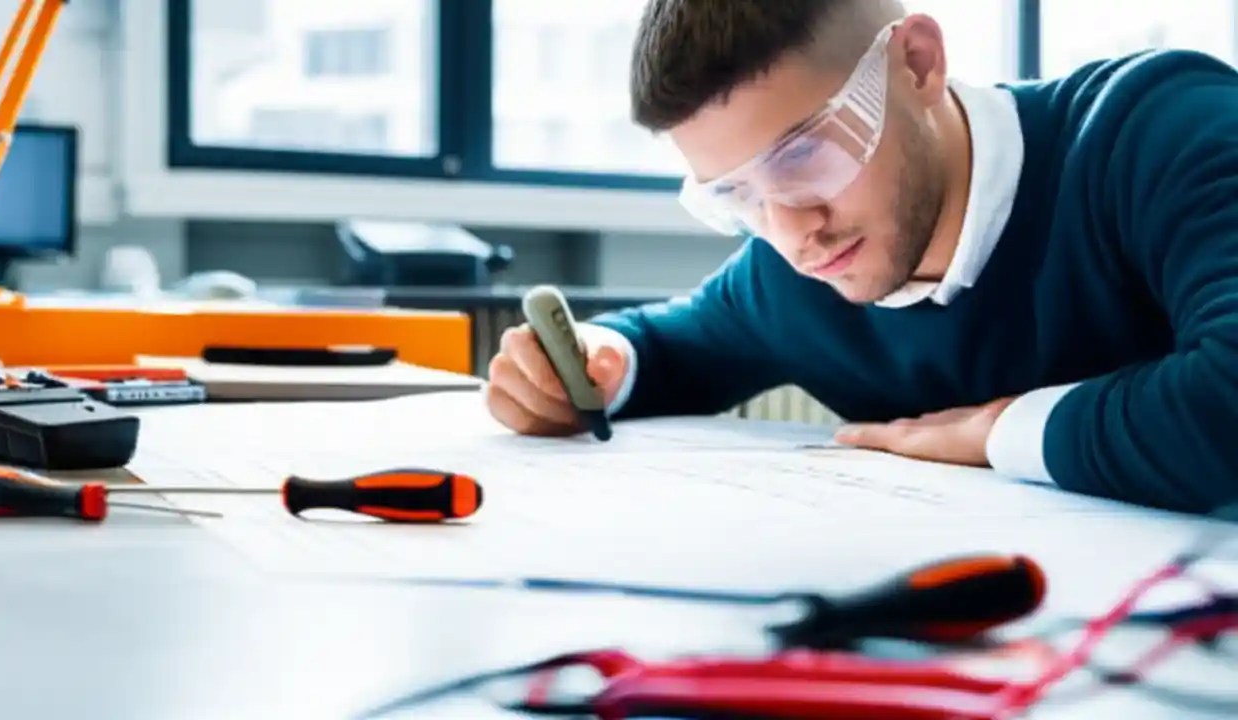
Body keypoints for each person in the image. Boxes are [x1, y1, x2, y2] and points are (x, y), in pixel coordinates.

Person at [484, 0, 1238, 515]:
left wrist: (999, 435)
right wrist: (589, 366)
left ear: (916, 62)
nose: (790, 230)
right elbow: (671, 344)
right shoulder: (794, 274)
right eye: (737, 194)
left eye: (806, 155)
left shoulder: (1161, 131)